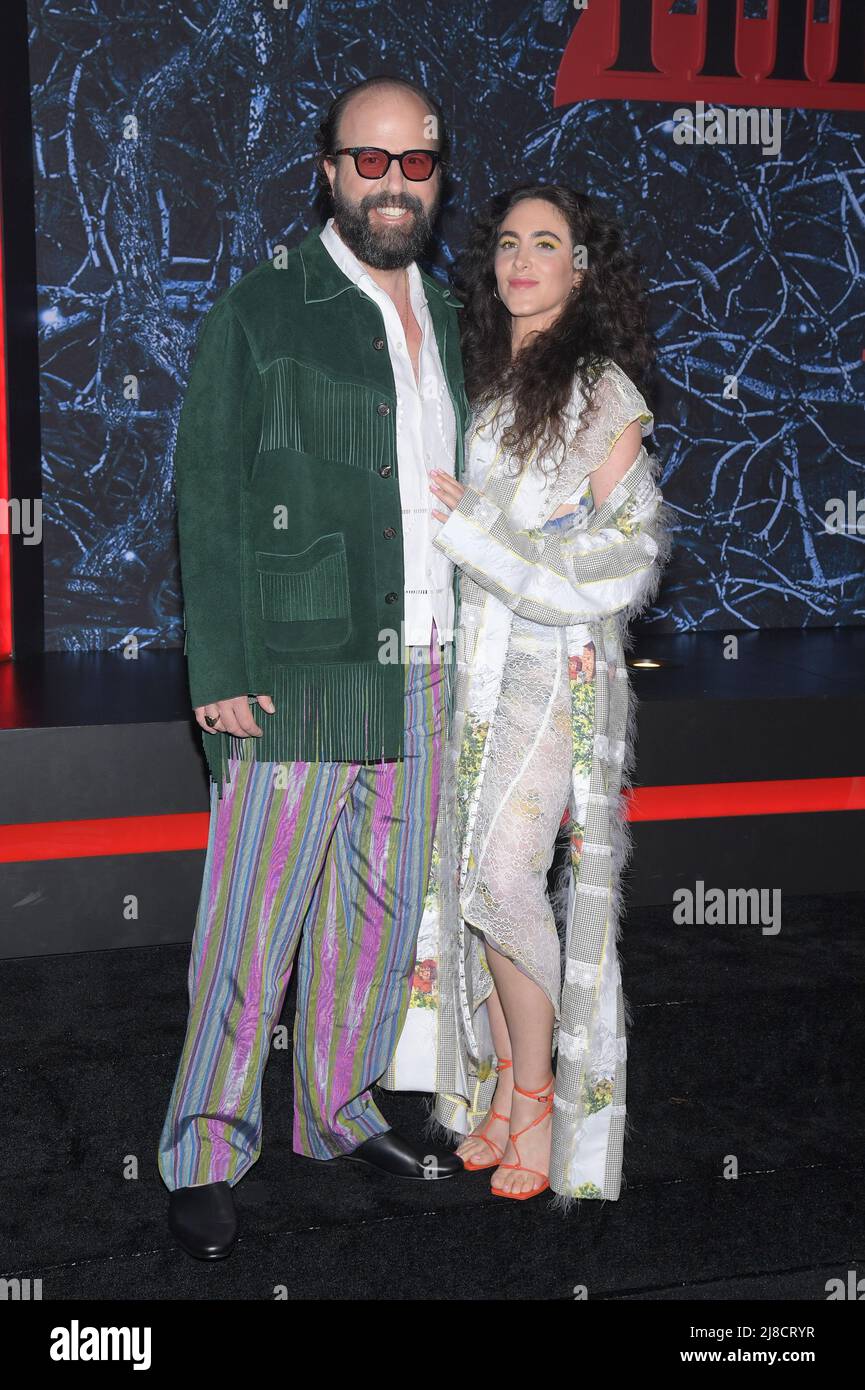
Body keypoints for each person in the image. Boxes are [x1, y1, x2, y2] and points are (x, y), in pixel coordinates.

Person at [158, 75, 469, 1261]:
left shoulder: (446, 315)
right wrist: (221, 662)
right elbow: (210, 493)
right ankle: (201, 1146)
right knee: (251, 928)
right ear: (328, 172)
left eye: (417, 163)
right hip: (294, 670)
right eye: (369, 160)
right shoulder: (261, 309)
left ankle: (337, 1113)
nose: (393, 184)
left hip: (423, 664)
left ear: (439, 176)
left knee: (381, 916)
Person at [382, 184, 672, 1204]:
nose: (519, 258)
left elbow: (630, 556)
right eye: (506, 241)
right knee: (469, 882)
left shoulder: (598, 390)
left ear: (584, 268)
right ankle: (506, 1086)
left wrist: (485, 540)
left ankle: (540, 1098)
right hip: (465, 671)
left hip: (554, 673)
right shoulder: (472, 377)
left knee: (506, 879)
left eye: (545, 243)